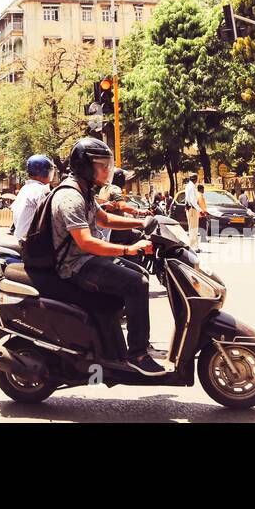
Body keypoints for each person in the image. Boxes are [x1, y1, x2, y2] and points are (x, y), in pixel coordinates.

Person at [48, 137, 164, 376]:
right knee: (136, 283)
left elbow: (106, 219)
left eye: (106, 164)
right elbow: (86, 242)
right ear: (85, 165)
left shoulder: (85, 190)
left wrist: (142, 222)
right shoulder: (70, 197)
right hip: (75, 266)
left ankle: (115, 343)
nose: (106, 169)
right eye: (101, 164)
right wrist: (127, 249)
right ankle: (138, 355)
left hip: (86, 259)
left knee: (140, 272)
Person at [12, 155, 53, 239]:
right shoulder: (40, 190)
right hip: (33, 242)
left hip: (21, 239)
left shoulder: (25, 189)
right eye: (49, 170)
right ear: (44, 172)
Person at [184, 181, 206, 249]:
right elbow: (193, 201)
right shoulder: (192, 186)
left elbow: (187, 199)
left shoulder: (187, 186)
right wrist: (200, 210)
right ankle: (194, 247)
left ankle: (192, 245)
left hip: (189, 209)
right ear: (195, 180)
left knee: (191, 229)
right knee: (194, 229)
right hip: (192, 209)